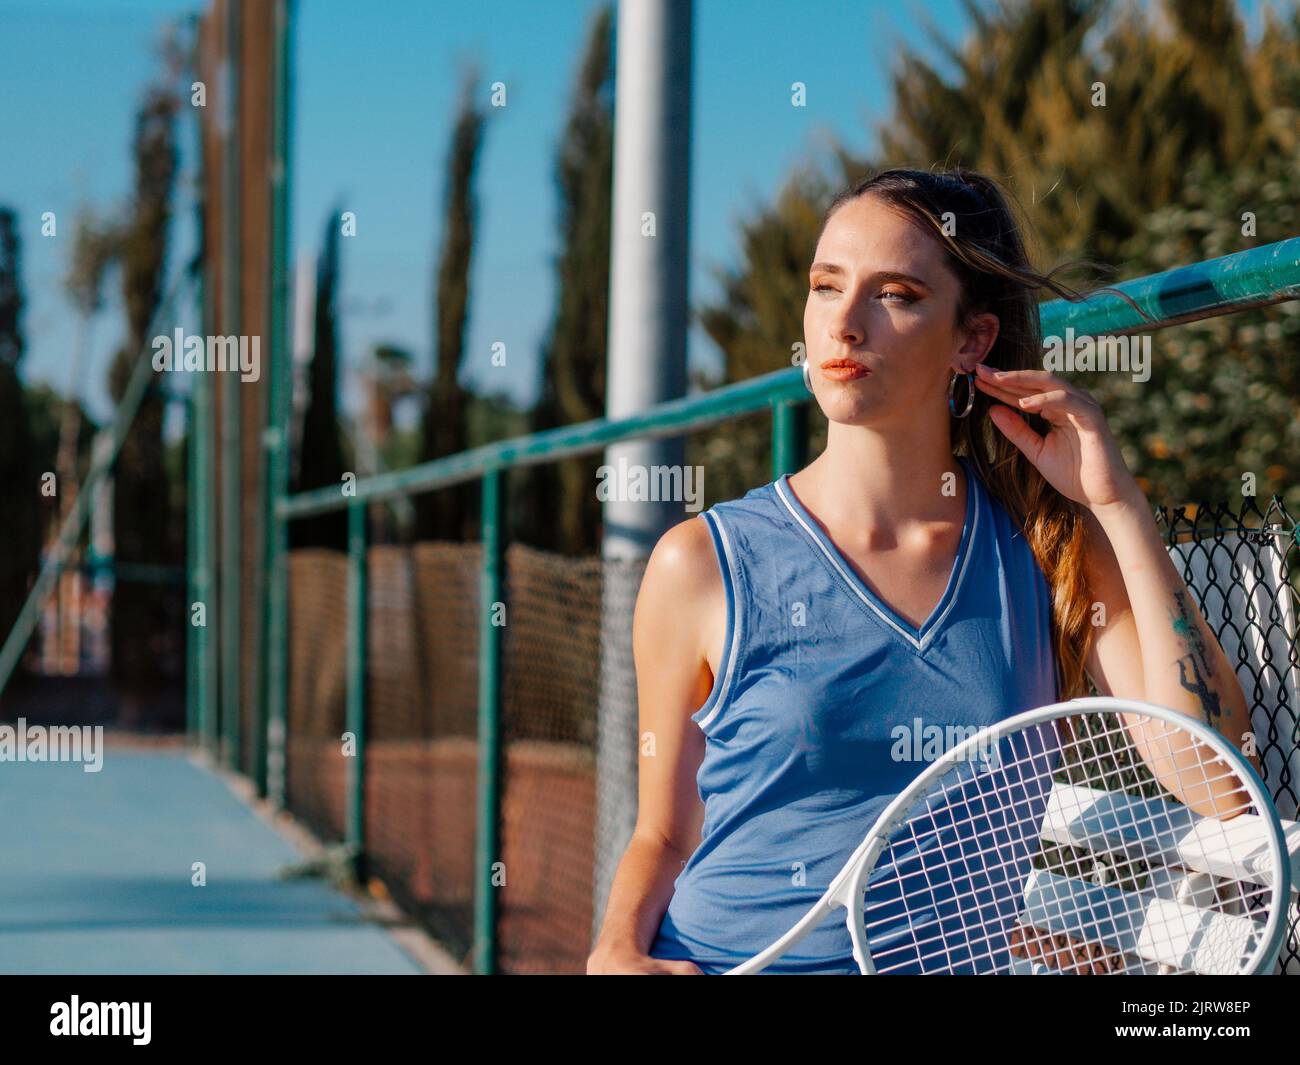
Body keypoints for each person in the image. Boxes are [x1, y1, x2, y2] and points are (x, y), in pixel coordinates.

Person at [587, 168, 1253, 975]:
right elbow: (660, 833)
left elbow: (1220, 781)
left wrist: (1117, 504)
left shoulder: (1047, 549)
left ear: (971, 340)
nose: (845, 323)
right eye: (827, 286)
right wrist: (616, 951)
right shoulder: (700, 563)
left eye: (895, 294)